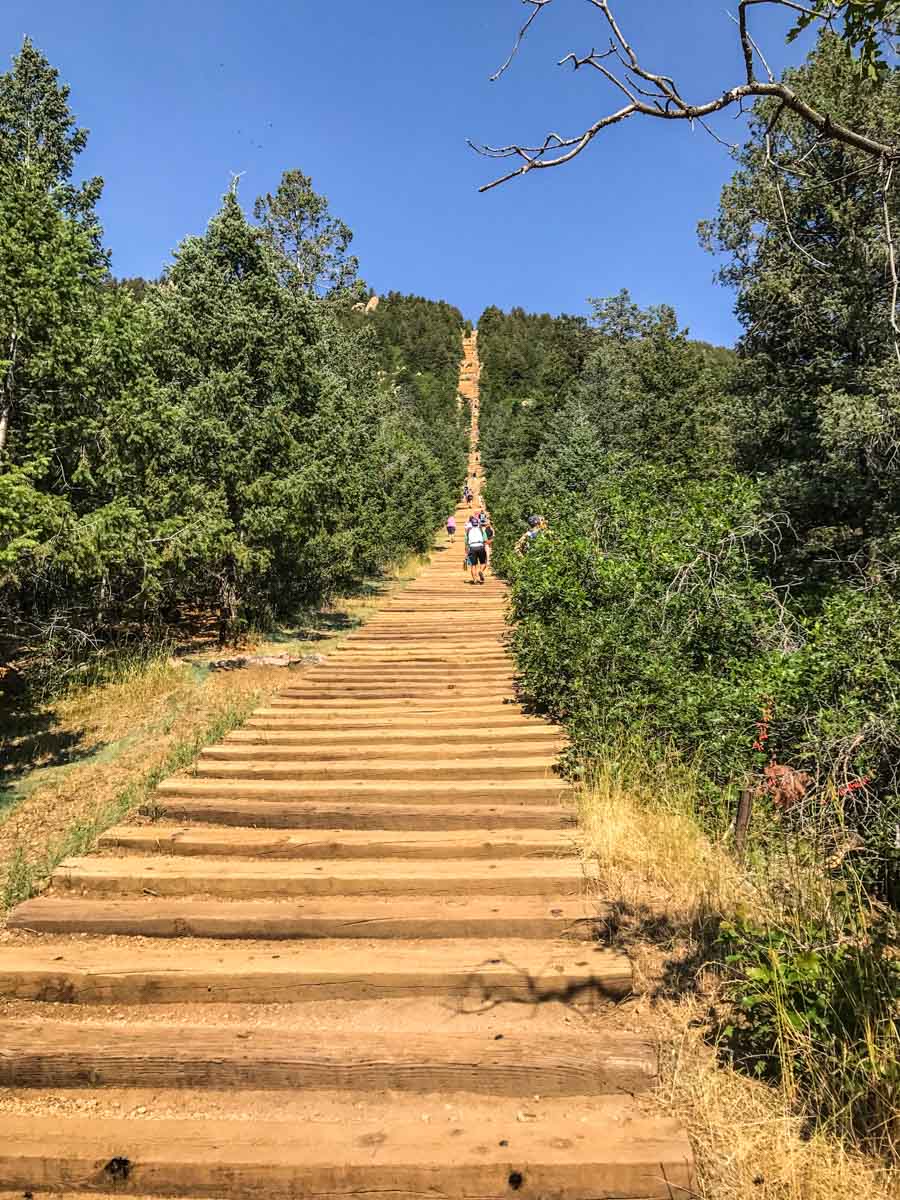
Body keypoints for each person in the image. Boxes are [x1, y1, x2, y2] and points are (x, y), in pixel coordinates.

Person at [465, 515, 487, 584]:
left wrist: (466, 552)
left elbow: (466, 542)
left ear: (471, 523)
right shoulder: (481, 529)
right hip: (480, 546)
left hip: (472, 547)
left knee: (473, 565)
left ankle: (475, 579)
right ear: (478, 523)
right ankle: (481, 571)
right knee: (483, 563)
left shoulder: (468, 531)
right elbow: (485, 540)